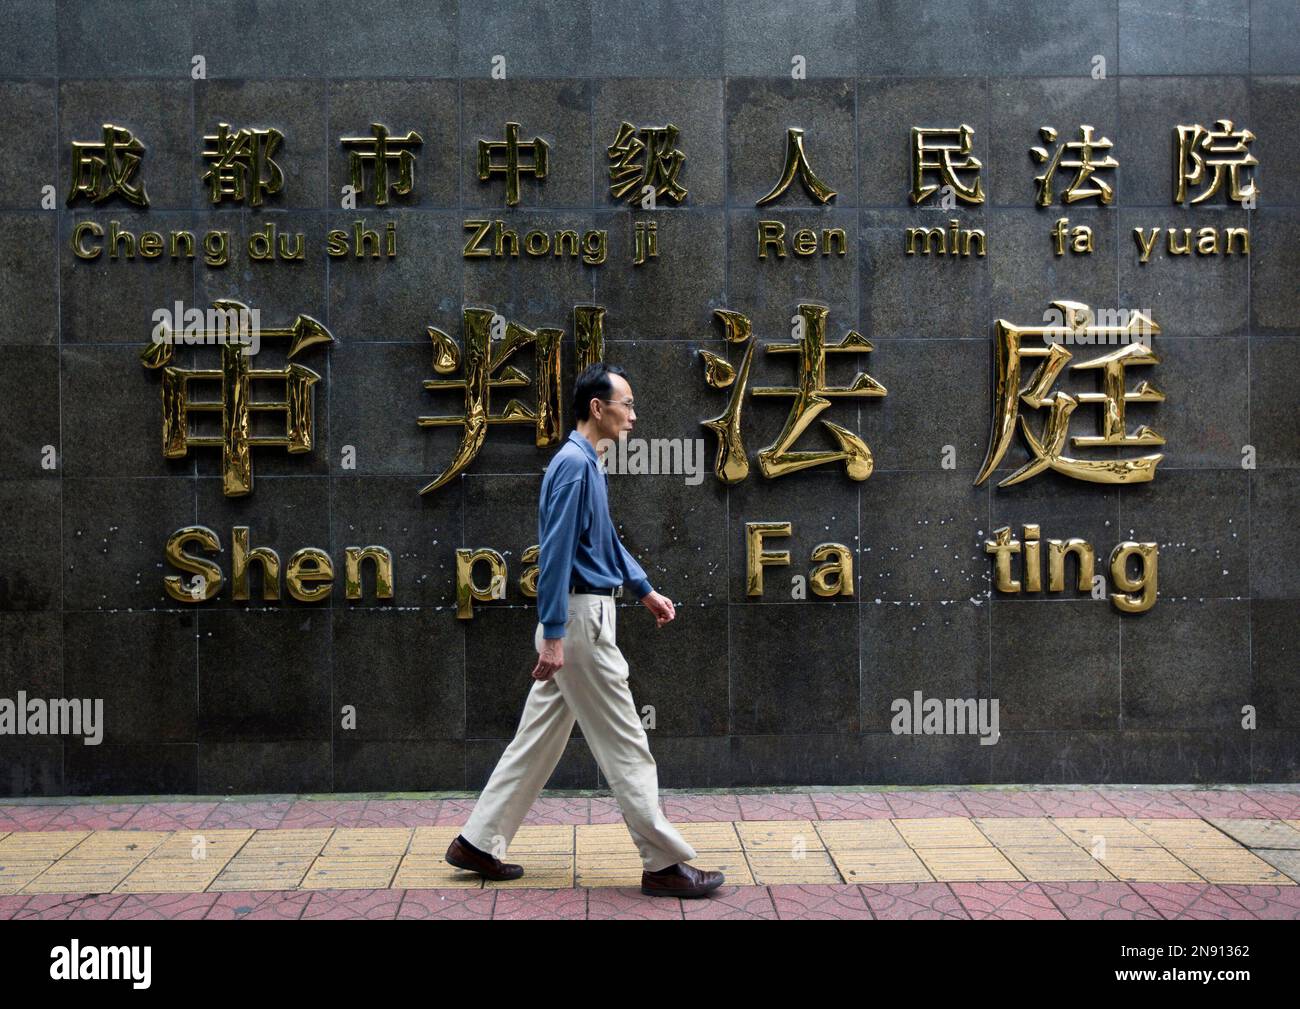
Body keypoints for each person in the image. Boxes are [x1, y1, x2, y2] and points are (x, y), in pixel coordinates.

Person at [445, 362, 725, 899]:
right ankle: (664, 864)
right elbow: (553, 555)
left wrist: (644, 590)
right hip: (577, 625)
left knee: (536, 742)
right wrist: (552, 633)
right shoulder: (575, 466)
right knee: (627, 743)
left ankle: (477, 843)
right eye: (627, 404)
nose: (634, 417)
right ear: (597, 408)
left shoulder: (584, 463)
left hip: (580, 619)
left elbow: (603, 542)